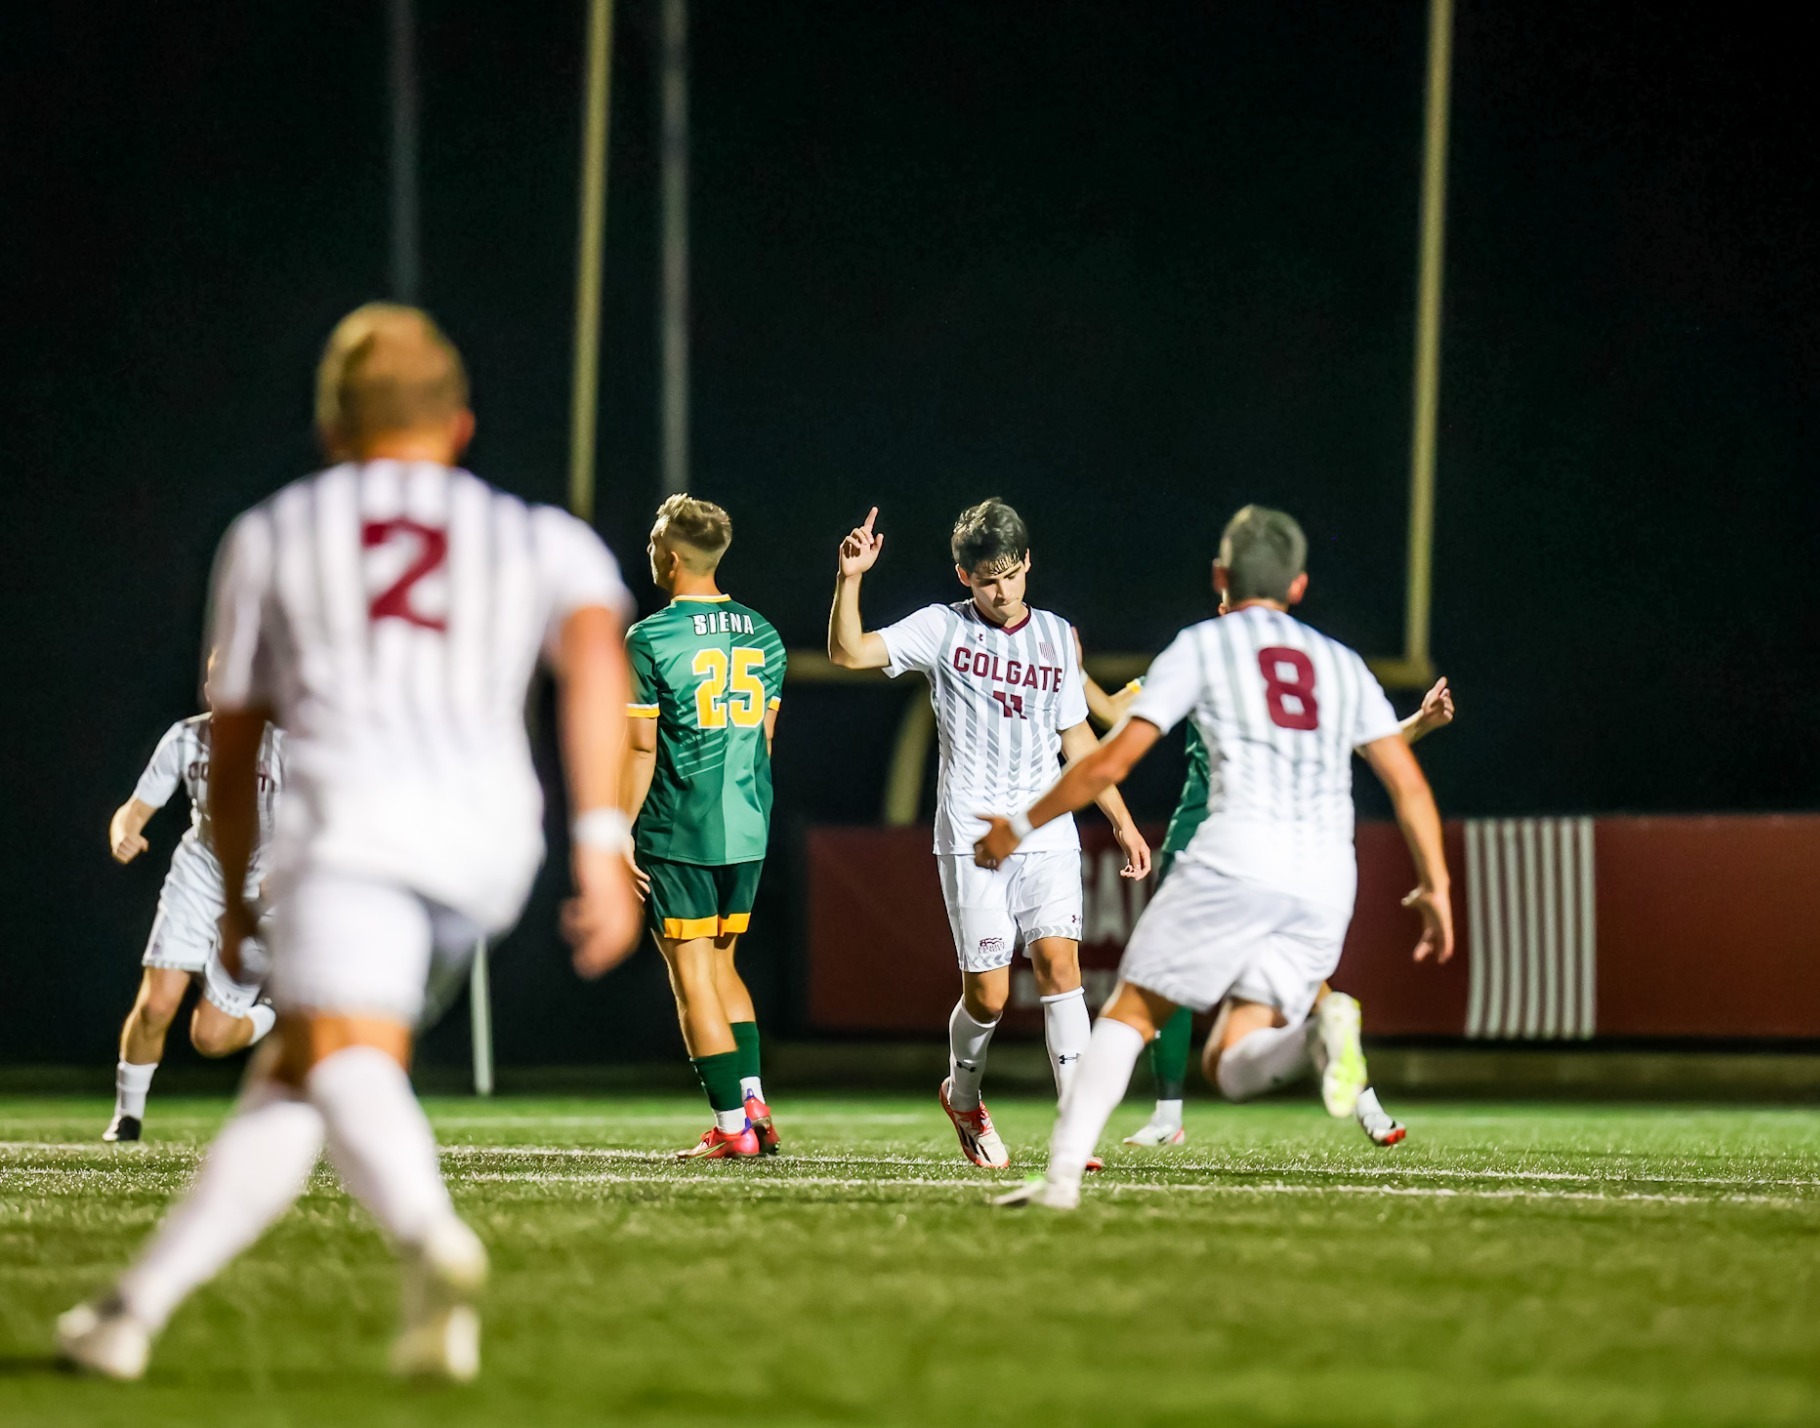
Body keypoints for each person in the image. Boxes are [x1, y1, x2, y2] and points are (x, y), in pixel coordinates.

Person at [56, 303, 641, 1380]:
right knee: (298, 1072)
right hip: (490, 847)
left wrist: (232, 890)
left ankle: (430, 1241)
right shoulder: (533, 531)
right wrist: (601, 842)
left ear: (330, 428)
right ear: (460, 426)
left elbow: (229, 744)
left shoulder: (275, 532)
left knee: (342, 1061)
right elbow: (597, 650)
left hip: (355, 838)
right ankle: (130, 1312)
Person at [976, 505, 1453, 1209]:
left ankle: (1061, 1181)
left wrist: (1020, 823)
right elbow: (1407, 785)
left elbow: (1113, 759)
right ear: (1299, 586)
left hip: (1236, 852)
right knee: (1231, 1064)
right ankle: (1319, 1031)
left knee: (1131, 1010)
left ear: (1220, 576)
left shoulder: (1203, 645)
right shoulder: (1341, 662)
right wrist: (1436, 887)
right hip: (1326, 876)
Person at [828, 500, 1152, 1169]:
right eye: (986, 580)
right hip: (973, 839)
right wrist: (851, 578)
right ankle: (964, 1095)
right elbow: (849, 652)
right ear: (963, 576)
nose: (1001, 592)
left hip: (1046, 832)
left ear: (1028, 563)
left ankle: (1075, 1128)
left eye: (1009, 574)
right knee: (991, 995)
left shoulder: (1059, 637)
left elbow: (1077, 740)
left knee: (1062, 969)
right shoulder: (941, 629)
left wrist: (1120, 821)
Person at [1082, 672, 1454, 1148]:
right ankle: (1365, 1103)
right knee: (1296, 974)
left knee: (1163, 974)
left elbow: (1112, 715)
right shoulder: (1309, 663)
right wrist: (1420, 723)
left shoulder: (1204, 653)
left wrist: (1071, 668)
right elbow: (1370, 747)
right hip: (1284, 847)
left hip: (1209, 838)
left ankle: (1158, 1119)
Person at [621, 494, 788, 1160]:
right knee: (722, 969)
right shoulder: (766, 634)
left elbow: (639, 749)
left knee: (692, 979)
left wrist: (614, 833)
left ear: (669, 555)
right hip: (747, 825)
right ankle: (753, 1105)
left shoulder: (651, 637)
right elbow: (763, 742)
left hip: (681, 827)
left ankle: (730, 1129)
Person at [103, 711, 286, 1142]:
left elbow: (324, 820)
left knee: (211, 1039)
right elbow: (133, 809)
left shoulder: (286, 746)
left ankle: (270, 1015)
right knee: (157, 1005)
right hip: (200, 875)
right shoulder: (186, 738)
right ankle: (126, 1118)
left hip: (263, 894)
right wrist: (123, 833)